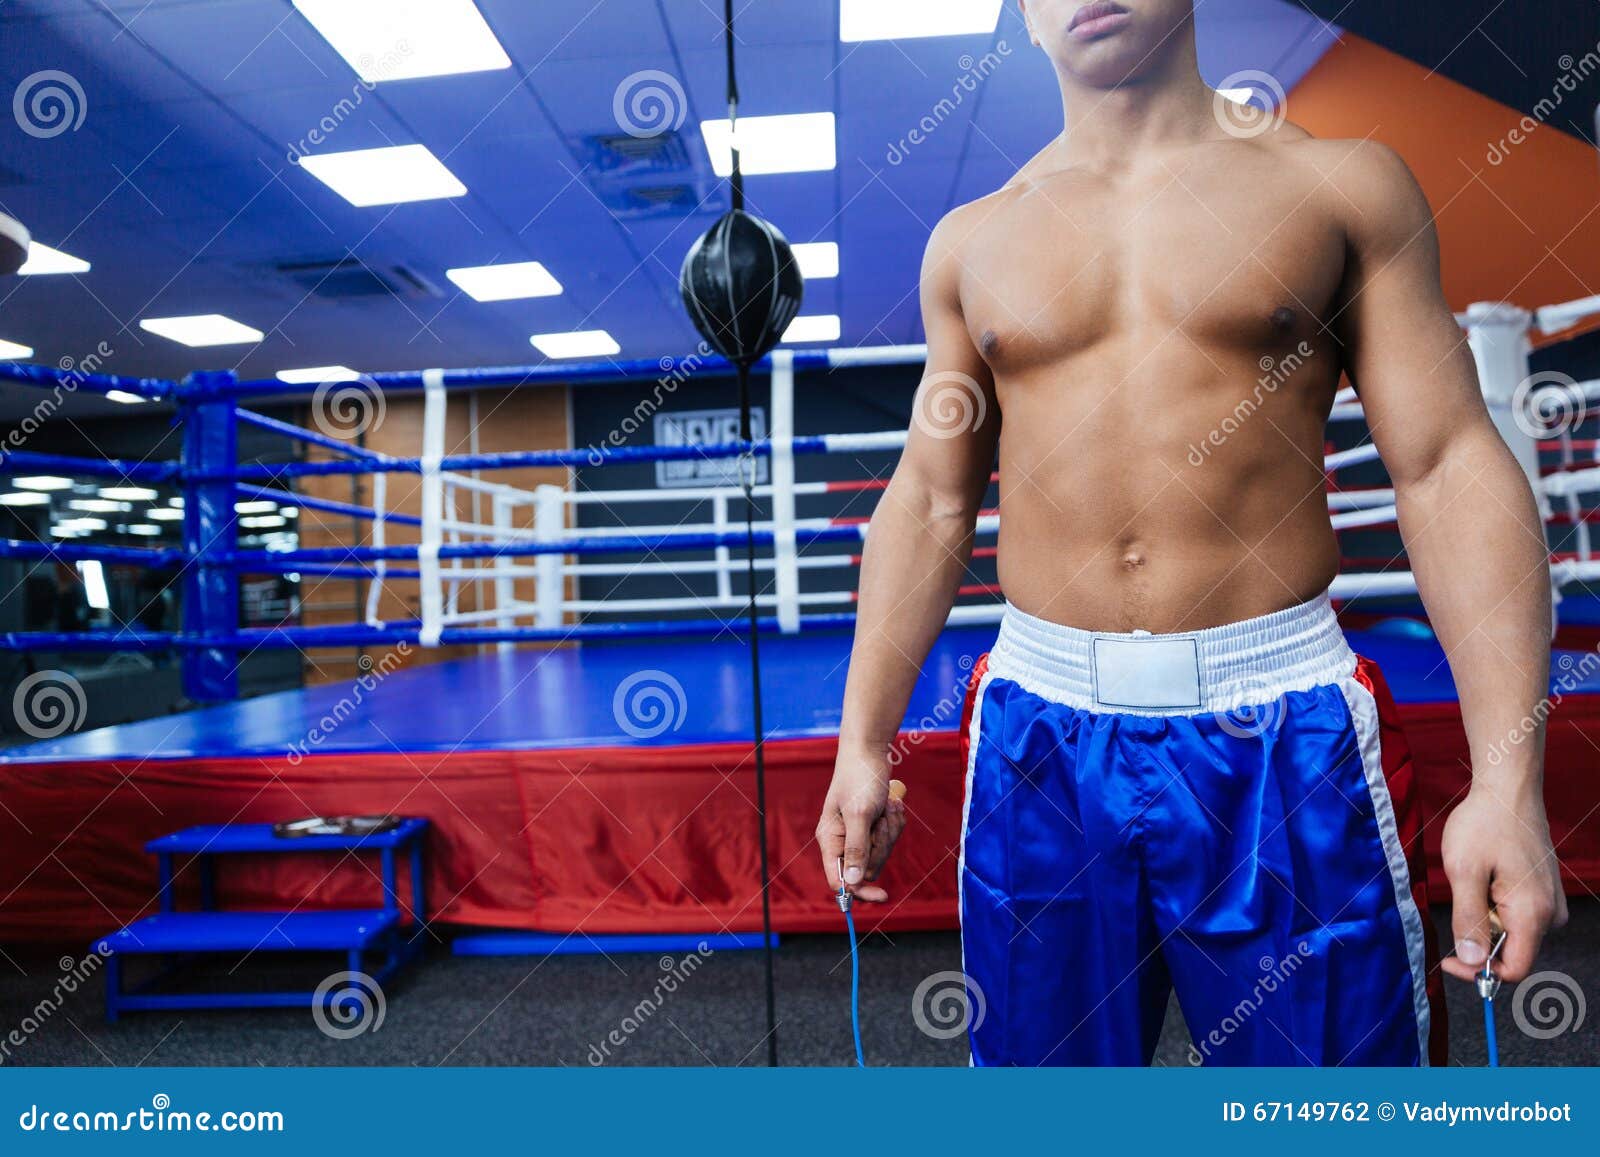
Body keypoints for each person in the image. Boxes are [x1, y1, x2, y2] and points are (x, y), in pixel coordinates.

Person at [815, 0, 1567, 1065]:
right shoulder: (971, 241)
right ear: (1023, 17)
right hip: (1040, 736)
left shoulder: (1339, 186)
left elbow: (1443, 464)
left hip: (1281, 735)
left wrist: (1506, 782)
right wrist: (860, 740)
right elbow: (930, 500)